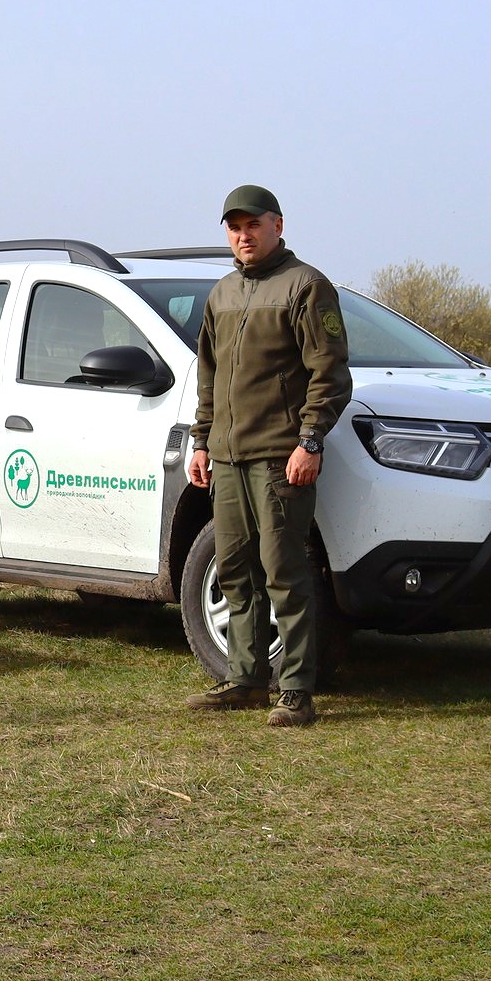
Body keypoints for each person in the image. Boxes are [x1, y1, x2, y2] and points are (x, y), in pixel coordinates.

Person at [185, 185, 352, 728]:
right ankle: (245, 678)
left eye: (252, 224)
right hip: (228, 457)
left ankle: (297, 689)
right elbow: (208, 375)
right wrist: (202, 439)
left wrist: (310, 440)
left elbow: (330, 376)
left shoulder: (306, 286)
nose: (243, 235)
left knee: (284, 570)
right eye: (233, 227)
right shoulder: (222, 294)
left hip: (281, 456)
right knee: (234, 568)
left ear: (278, 224)